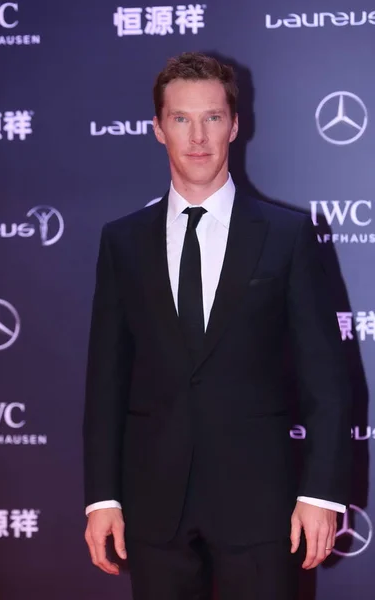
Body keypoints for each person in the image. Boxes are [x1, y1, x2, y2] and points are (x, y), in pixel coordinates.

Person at [83, 52, 352, 600]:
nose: (198, 136)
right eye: (181, 119)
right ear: (158, 128)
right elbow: (106, 382)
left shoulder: (287, 236)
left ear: (234, 125)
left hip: (262, 508)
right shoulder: (122, 242)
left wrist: (320, 493)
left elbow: (326, 381)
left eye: (212, 117)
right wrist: (102, 497)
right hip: (154, 508)